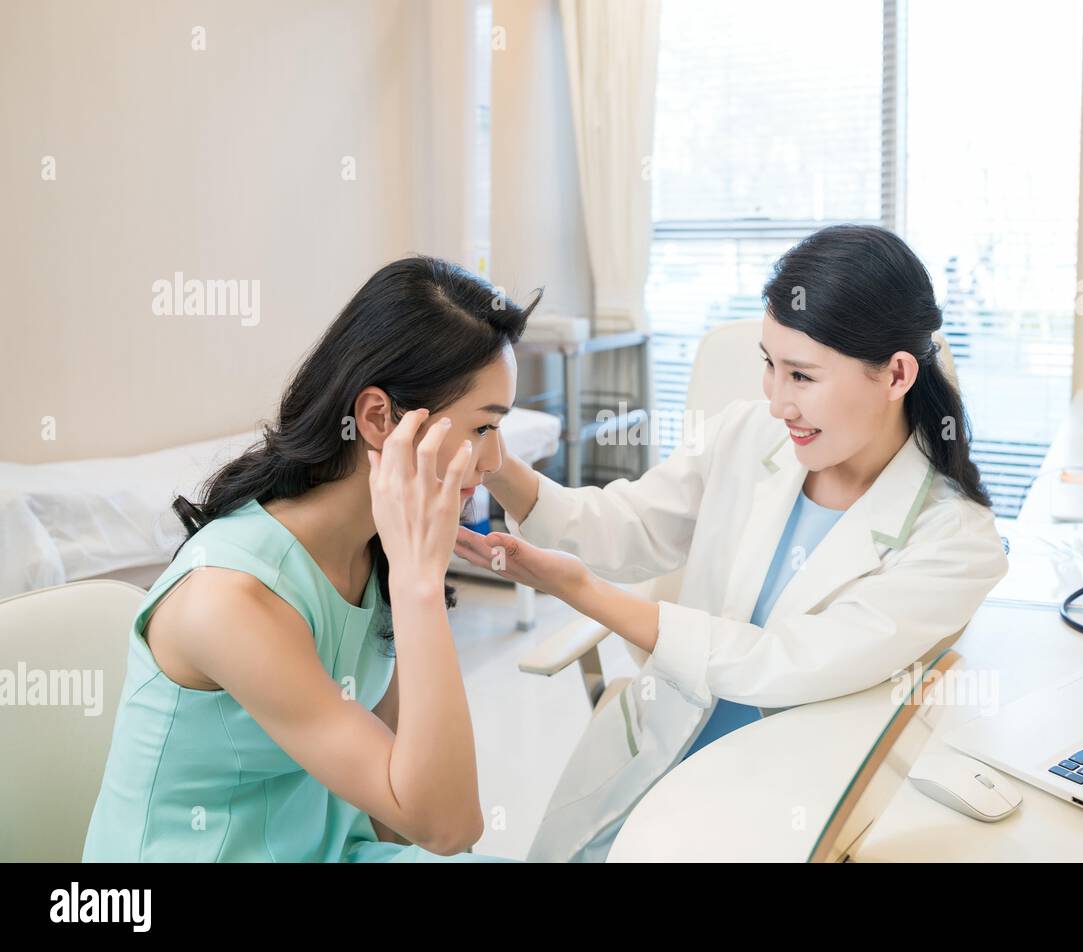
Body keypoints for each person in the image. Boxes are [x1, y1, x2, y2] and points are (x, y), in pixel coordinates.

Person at [454, 224, 1010, 862]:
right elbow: (628, 524)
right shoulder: (749, 438)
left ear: (895, 376)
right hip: (655, 749)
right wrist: (490, 453)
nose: (776, 402)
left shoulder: (956, 542)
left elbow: (776, 662)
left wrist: (578, 589)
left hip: (776, 804)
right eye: (769, 366)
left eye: (802, 376)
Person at [82, 256, 535, 861]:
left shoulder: (371, 555)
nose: (494, 460)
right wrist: (420, 585)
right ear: (379, 419)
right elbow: (448, 826)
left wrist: (411, 576)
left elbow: (410, 810)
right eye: (482, 428)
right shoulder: (229, 599)